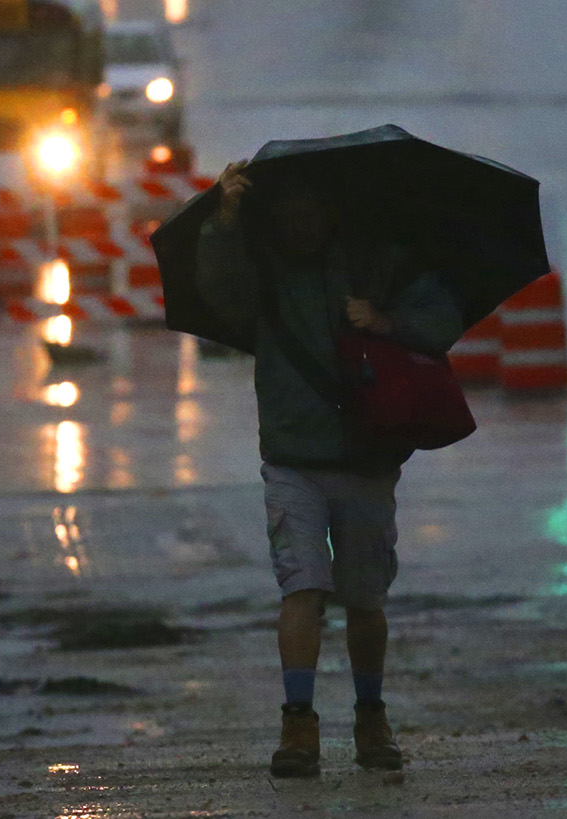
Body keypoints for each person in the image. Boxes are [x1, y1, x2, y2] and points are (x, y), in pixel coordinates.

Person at [195, 160, 463, 778]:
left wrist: (386, 321)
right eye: (287, 218)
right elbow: (220, 293)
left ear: (331, 215)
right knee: (302, 588)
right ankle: (298, 723)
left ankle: (371, 715)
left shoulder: (378, 264)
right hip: (293, 460)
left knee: (365, 598)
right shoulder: (259, 271)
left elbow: (441, 317)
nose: (300, 228)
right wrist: (225, 220)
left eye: (310, 215)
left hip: (367, 458)